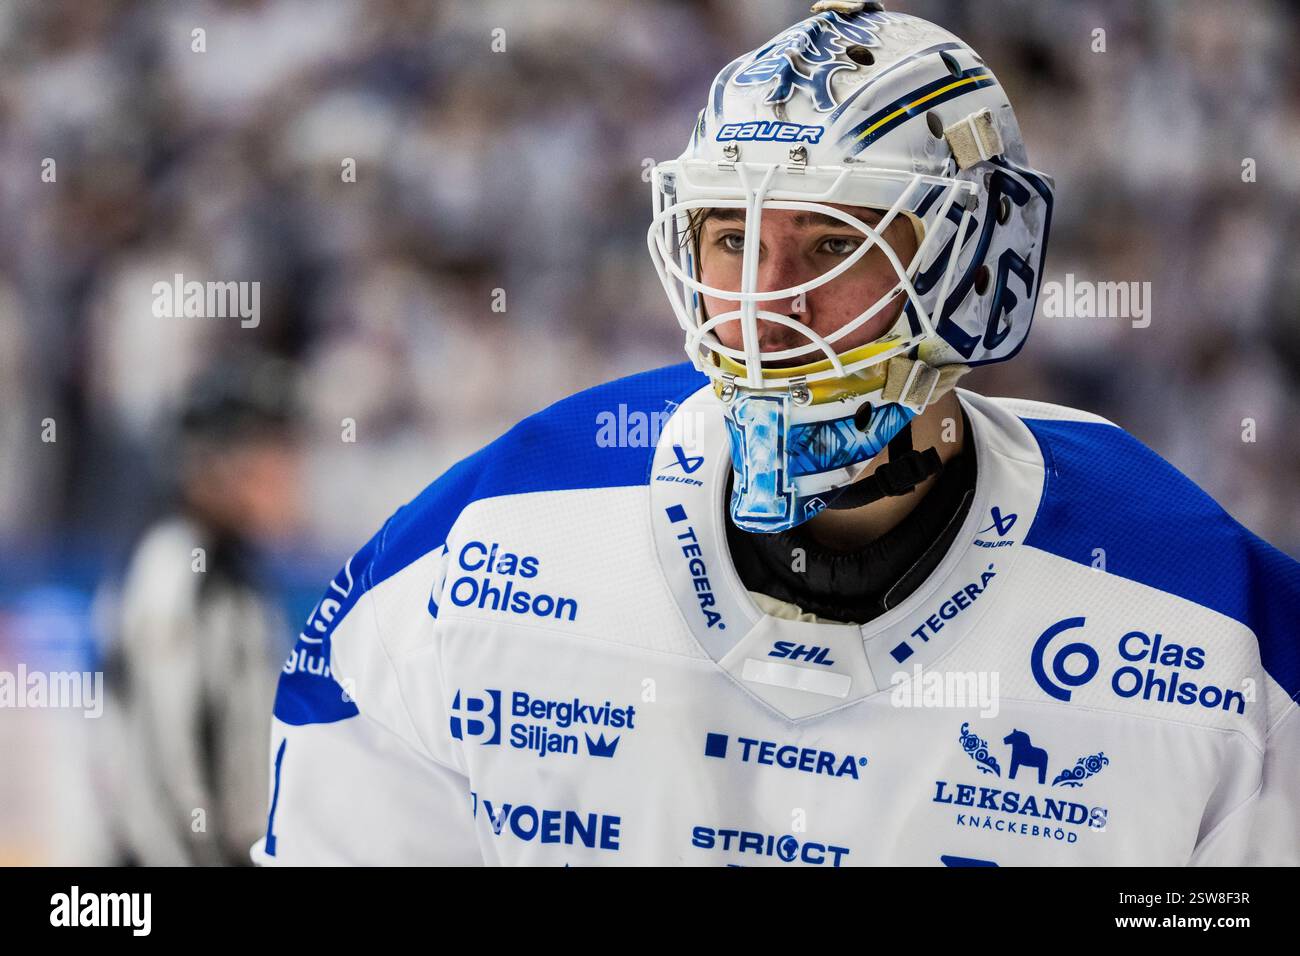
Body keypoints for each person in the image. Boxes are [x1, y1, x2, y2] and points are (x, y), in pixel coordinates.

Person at [254, 2, 1298, 866]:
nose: (763, 303)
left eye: (832, 239)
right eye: (729, 236)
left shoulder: (1214, 639)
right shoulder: (477, 559)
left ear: (976, 267)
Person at [103, 354, 300, 865]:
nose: (284, 470)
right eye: (266, 450)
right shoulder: (174, 568)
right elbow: (165, 761)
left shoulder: (239, 577)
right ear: (211, 460)